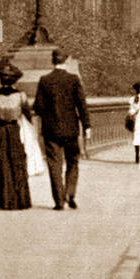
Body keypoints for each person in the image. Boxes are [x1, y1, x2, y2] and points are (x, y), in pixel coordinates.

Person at [33, 47, 91, 211]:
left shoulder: (45, 80)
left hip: (51, 130)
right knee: (73, 161)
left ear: (53, 61)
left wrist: (49, 116)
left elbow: (38, 107)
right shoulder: (73, 79)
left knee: (54, 165)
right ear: (66, 61)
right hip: (71, 130)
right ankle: (70, 194)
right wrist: (87, 125)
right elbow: (82, 104)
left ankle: (58, 200)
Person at [0, 59, 32, 211]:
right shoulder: (20, 96)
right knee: (16, 163)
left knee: (0, 164)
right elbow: (28, 114)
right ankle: (18, 200)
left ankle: (0, 200)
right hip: (13, 131)